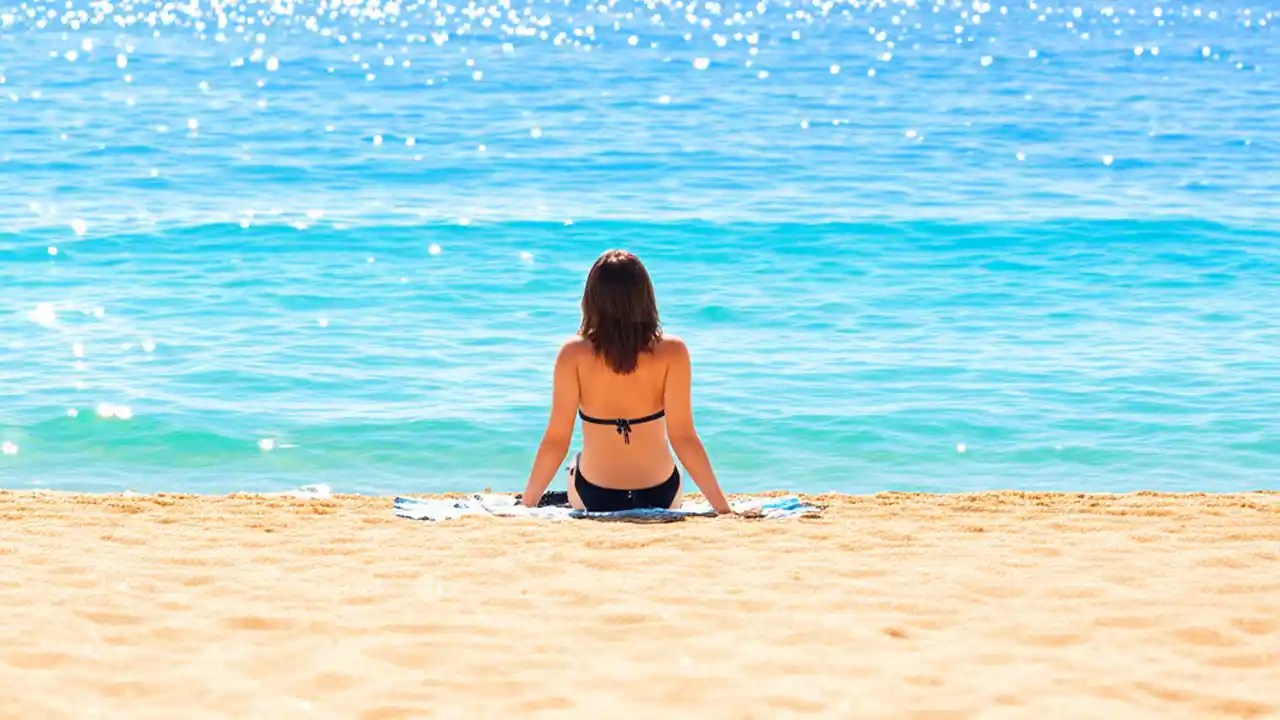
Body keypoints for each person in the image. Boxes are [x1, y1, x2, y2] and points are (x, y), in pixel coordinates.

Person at [520, 250, 732, 514]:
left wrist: (527, 504)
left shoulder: (572, 353)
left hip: (594, 495)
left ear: (591, 299)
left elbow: (556, 440)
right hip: (661, 494)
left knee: (575, 463)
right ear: (646, 296)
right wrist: (723, 509)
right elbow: (684, 438)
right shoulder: (673, 351)